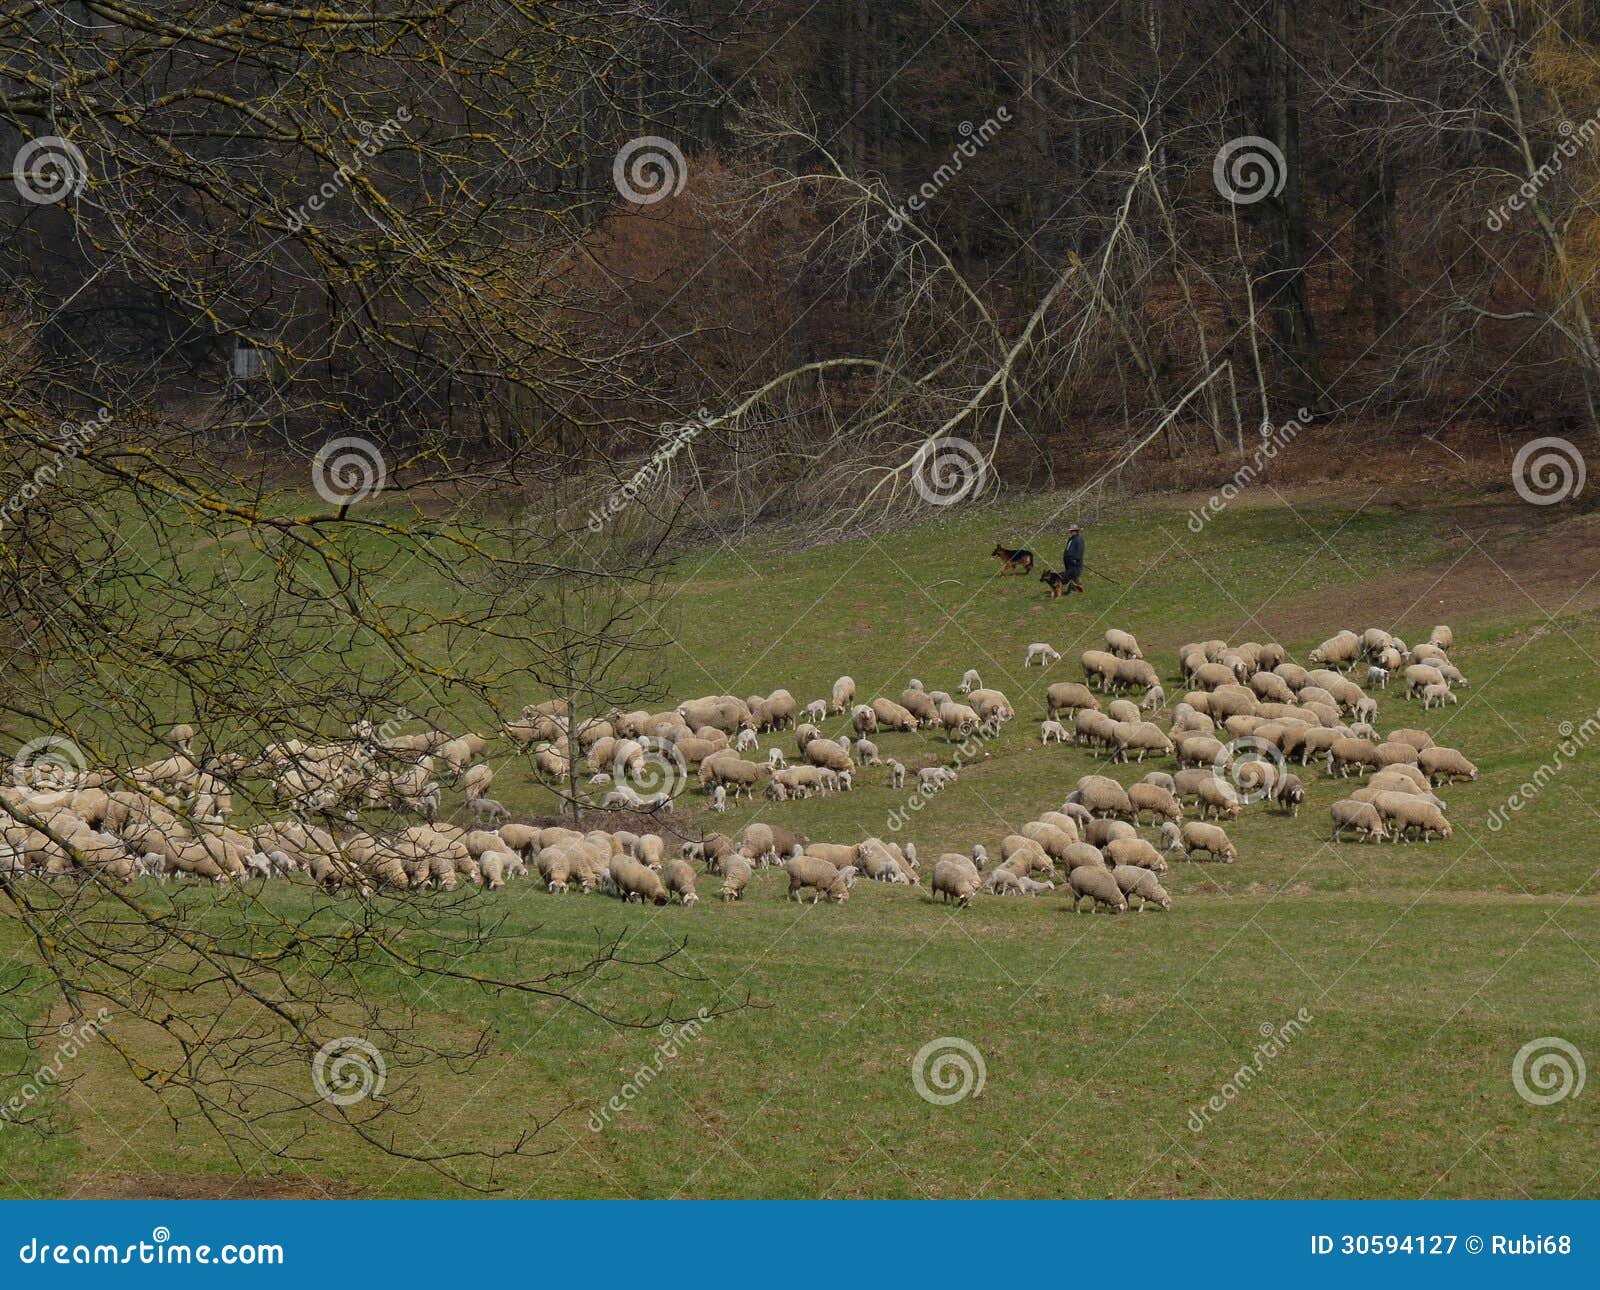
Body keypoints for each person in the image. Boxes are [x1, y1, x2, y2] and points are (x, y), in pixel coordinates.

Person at [1061, 523, 1085, 596]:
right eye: (1071, 531)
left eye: (1073, 531)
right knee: (1071, 575)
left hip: (1075, 562)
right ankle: (1074, 589)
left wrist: (1076, 559)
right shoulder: (1071, 539)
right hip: (1069, 561)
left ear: (1077, 531)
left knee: (1075, 576)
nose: (1072, 532)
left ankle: (1073, 590)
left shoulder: (1079, 539)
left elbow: (1080, 550)